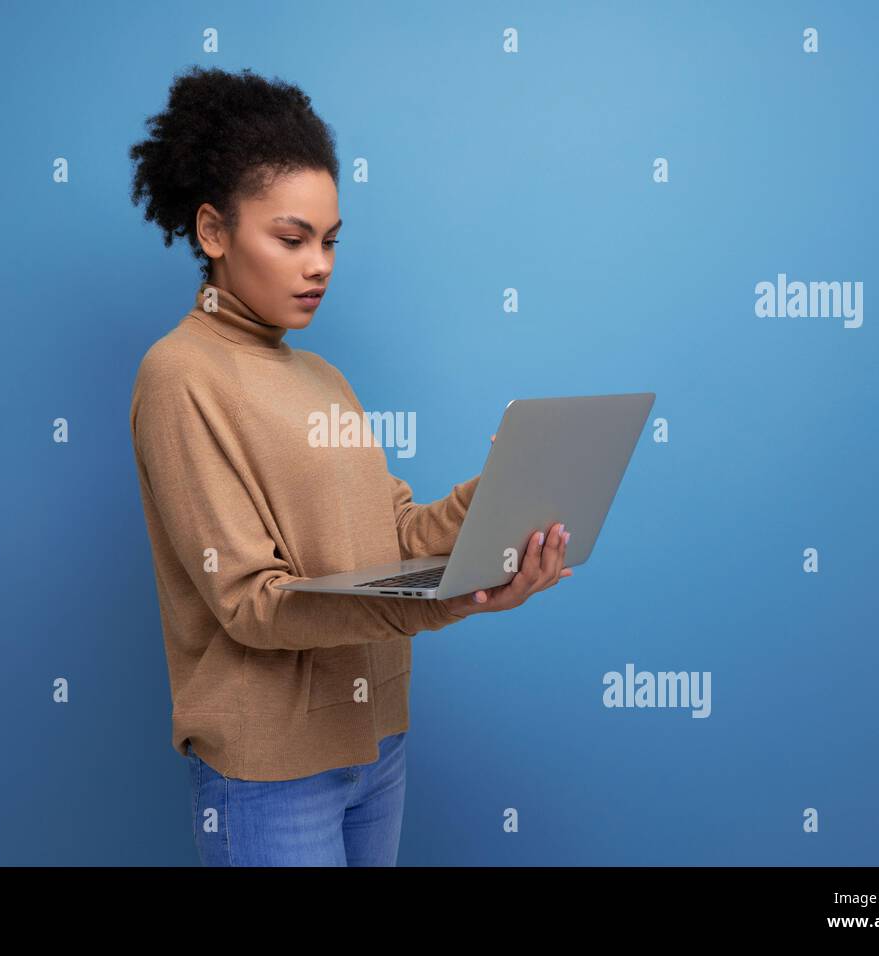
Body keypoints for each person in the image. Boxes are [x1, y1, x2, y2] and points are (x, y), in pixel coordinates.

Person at [127, 65, 570, 866]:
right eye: (291, 239)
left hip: (378, 741)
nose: (319, 264)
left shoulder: (322, 377)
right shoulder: (179, 375)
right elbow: (252, 603)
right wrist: (448, 604)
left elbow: (396, 535)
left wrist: (497, 498)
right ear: (214, 231)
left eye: (330, 241)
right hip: (271, 774)